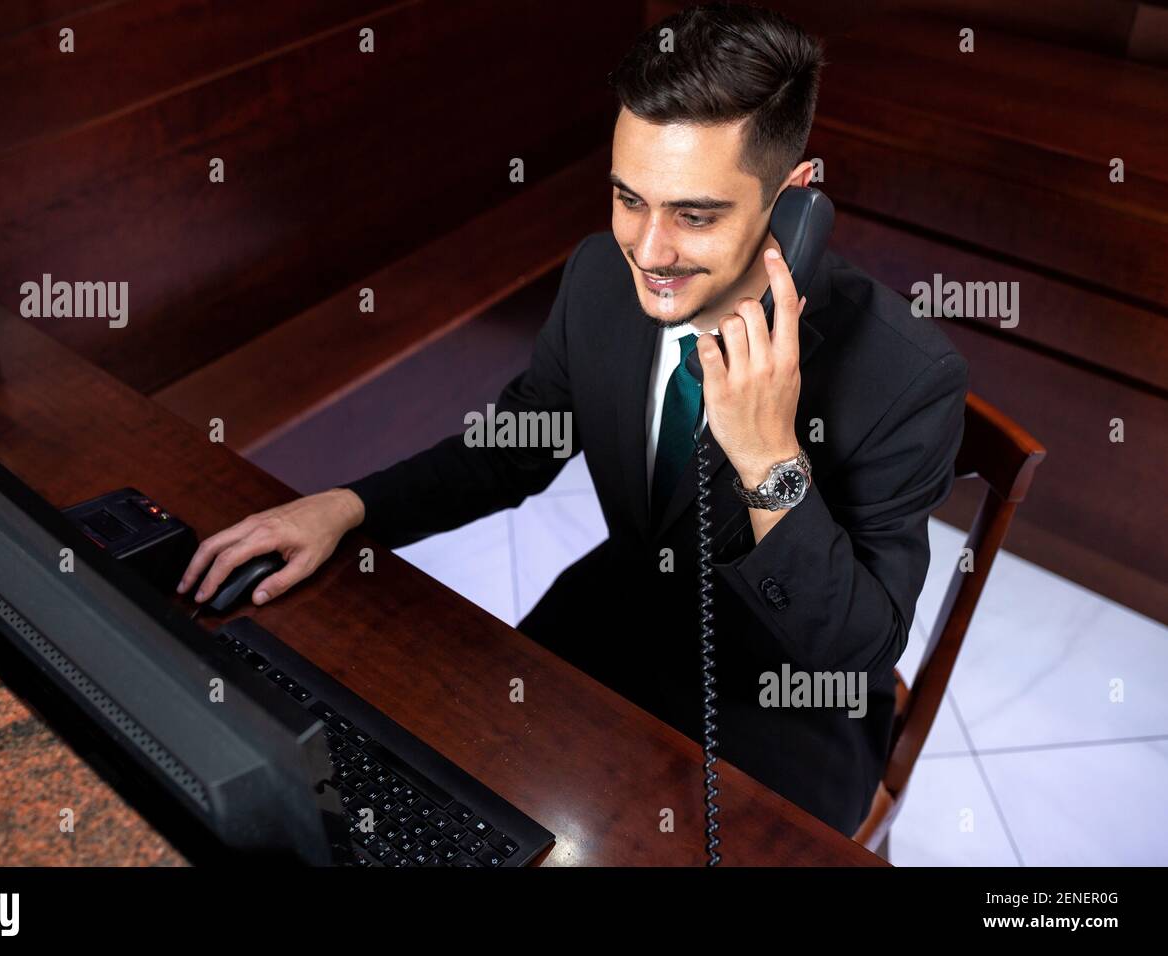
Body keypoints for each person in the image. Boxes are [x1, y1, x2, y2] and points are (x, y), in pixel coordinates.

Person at [179, 2, 968, 837]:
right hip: (620, 618)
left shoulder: (907, 379)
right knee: (433, 803)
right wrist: (349, 506)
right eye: (631, 199)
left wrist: (769, 455)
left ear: (795, 198)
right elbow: (512, 453)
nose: (650, 251)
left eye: (696, 214)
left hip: (784, 705)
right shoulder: (599, 278)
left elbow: (855, 649)